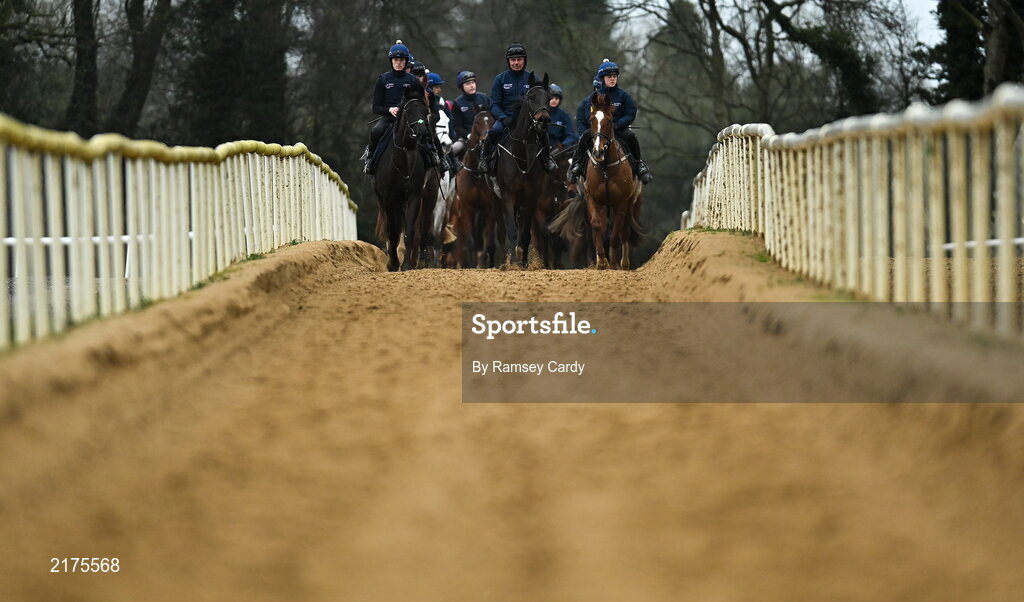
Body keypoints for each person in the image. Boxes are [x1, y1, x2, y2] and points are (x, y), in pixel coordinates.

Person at [569, 59, 652, 183]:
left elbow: (630, 113)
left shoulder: (623, 96)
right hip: (599, 131)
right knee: (584, 137)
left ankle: (639, 165)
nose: (612, 79)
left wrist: (618, 124)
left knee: (632, 137)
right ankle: (577, 165)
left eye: (614, 76)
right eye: (609, 76)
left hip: (618, 129)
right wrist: (596, 126)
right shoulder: (593, 97)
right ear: (602, 78)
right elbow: (587, 114)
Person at [480, 42, 557, 174]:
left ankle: (547, 158)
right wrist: (503, 118)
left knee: (543, 132)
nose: (516, 63)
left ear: (524, 61)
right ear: (508, 62)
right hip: (505, 118)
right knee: (493, 132)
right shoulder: (500, 79)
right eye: (513, 60)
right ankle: (485, 159)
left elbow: (540, 100)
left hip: (528, 119)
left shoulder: (532, 79)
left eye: (519, 59)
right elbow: (494, 104)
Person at [362, 40, 419, 175]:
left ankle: (433, 157)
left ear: (406, 62)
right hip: (389, 119)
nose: (398, 63)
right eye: (395, 60)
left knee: (424, 130)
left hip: (409, 119)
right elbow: (376, 107)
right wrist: (390, 110)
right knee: (375, 131)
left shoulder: (413, 80)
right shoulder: (383, 79)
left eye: (401, 60)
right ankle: (370, 159)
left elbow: (417, 103)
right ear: (391, 61)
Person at [451, 71, 490, 157]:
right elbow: (457, 126)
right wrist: (468, 135)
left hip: (487, 135)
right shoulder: (457, 103)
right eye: (468, 84)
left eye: (473, 82)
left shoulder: (484, 98)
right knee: (454, 149)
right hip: (467, 137)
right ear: (462, 87)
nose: (472, 85)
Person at [546, 83, 578, 149]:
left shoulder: (564, 115)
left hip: (558, 149)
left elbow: (570, 135)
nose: (554, 100)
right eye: (551, 98)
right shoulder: (540, 114)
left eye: (556, 98)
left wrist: (563, 144)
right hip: (542, 147)